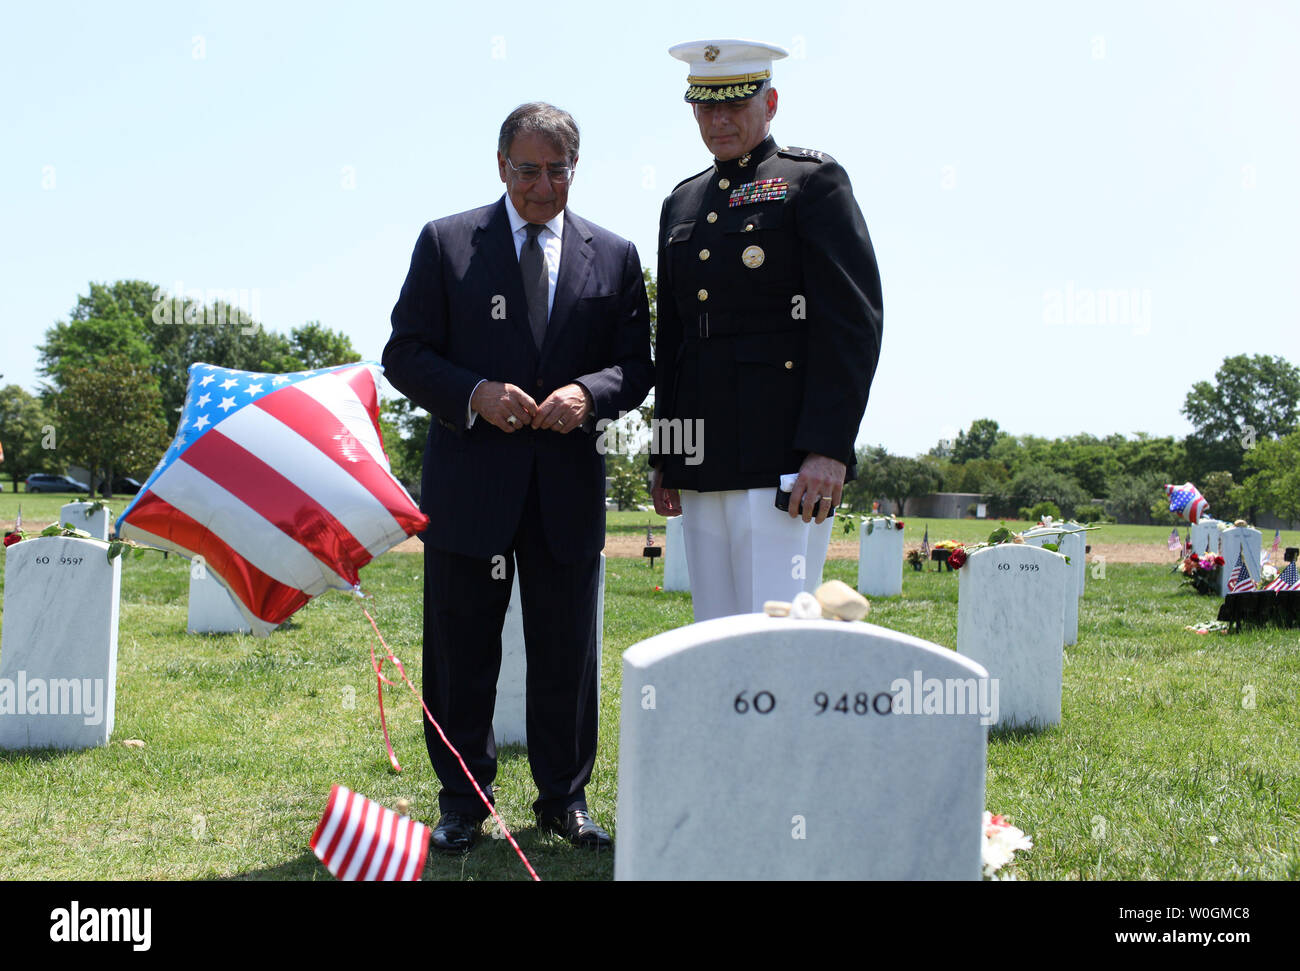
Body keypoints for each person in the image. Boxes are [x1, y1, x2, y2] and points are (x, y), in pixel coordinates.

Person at [383, 102, 652, 852]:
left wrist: (588, 394)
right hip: (470, 491)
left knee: (567, 655)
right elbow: (404, 352)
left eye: (557, 169)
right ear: (501, 165)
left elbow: (637, 364)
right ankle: (464, 803)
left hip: (565, 492)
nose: (542, 185)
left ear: (576, 168)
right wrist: (475, 393)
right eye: (528, 169)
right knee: (461, 652)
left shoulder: (618, 254)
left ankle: (564, 801)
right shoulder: (446, 244)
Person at [651, 39, 884, 622]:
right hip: (702, 454)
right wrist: (668, 450)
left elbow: (852, 321)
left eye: (735, 104)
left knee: (779, 625)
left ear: (771, 102)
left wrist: (828, 448)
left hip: (784, 456)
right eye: (706, 107)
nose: (719, 120)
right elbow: (674, 338)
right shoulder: (681, 203)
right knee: (715, 630)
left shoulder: (812, 181)